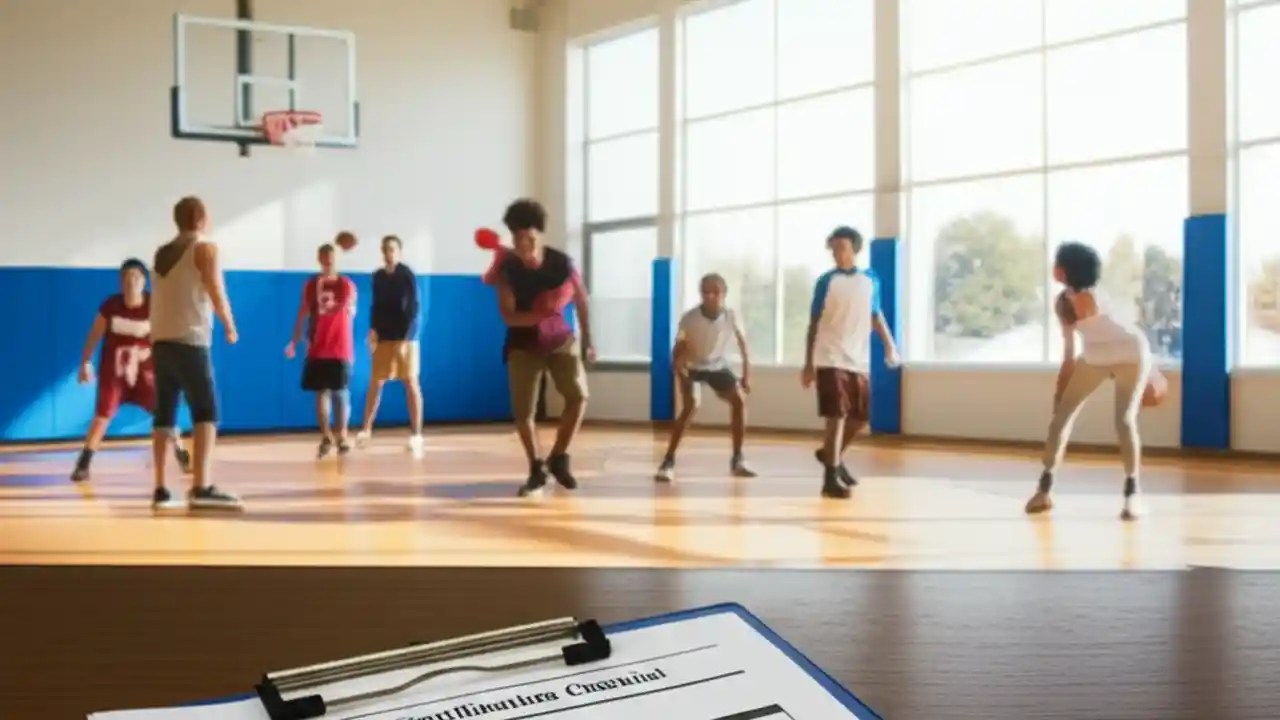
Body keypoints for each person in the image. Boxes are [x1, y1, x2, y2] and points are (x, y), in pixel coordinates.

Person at [1025, 241, 1153, 521]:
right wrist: (1061, 389)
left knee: (1124, 420)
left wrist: (1151, 375)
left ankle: (1133, 494)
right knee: (1061, 417)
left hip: (1129, 353)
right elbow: (1069, 350)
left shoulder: (1089, 297)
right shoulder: (1063, 301)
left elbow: (1105, 321)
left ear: (1065, 271)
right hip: (1096, 356)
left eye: (1057, 263)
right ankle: (1044, 491)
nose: (1053, 267)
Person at [494, 198, 595, 497]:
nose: (523, 244)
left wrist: (588, 339)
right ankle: (536, 467)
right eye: (517, 238)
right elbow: (509, 315)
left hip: (560, 339)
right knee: (523, 412)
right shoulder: (507, 269)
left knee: (579, 396)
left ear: (539, 234)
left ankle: (559, 457)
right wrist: (542, 313)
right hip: (523, 345)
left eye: (529, 238)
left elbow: (581, 299)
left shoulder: (561, 263)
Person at [149, 196, 241, 511]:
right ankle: (201, 486)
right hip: (190, 340)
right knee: (206, 412)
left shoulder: (161, 253)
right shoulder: (205, 248)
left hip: (161, 341)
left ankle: (160, 488)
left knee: (165, 414)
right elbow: (215, 289)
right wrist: (229, 325)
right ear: (201, 219)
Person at [802, 226, 900, 499]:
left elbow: (876, 315)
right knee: (837, 416)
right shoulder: (826, 281)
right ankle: (830, 478)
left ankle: (829, 455)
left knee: (860, 418)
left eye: (842, 247)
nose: (837, 252)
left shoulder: (870, 280)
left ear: (854, 249)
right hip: (829, 355)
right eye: (833, 248)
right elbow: (813, 322)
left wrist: (890, 346)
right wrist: (808, 364)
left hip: (858, 359)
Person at [70, 259, 191, 482]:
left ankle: (181, 451)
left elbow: (168, 338)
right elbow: (94, 334)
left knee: (163, 414)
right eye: (126, 277)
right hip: (114, 373)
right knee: (102, 416)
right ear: (120, 281)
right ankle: (83, 463)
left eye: (135, 277)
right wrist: (86, 361)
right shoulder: (111, 306)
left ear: (144, 281)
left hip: (145, 372)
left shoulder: (155, 306)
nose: (130, 282)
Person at [655, 273, 757, 483]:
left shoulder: (731, 316)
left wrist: (747, 375)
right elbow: (678, 347)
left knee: (739, 400)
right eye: (706, 292)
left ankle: (738, 459)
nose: (710, 296)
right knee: (691, 405)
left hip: (717, 365)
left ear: (724, 294)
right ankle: (668, 461)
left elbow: (744, 345)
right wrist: (679, 368)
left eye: (715, 292)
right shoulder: (689, 318)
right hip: (692, 366)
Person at [286, 241, 357, 458]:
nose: (328, 261)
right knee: (322, 392)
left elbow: (350, 312)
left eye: (331, 258)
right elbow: (303, 313)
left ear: (336, 259)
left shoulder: (346, 285)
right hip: (318, 346)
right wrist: (295, 341)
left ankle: (342, 436)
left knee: (340, 393)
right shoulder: (311, 285)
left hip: (340, 347)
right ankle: (326, 435)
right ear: (319, 259)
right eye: (325, 258)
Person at [357, 235, 425, 458]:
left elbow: (414, 307)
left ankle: (416, 434)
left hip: (406, 339)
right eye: (385, 249)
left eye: (392, 249)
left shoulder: (407, 275)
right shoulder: (378, 277)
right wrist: (373, 330)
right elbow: (375, 306)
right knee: (376, 382)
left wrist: (407, 337)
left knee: (410, 382)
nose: (389, 253)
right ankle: (366, 430)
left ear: (399, 252)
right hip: (383, 337)